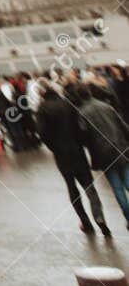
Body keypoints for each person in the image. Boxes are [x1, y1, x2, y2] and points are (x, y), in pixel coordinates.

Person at [36, 82, 111, 237]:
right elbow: (80, 127)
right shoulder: (68, 104)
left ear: (42, 93)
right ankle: (99, 218)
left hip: (61, 155)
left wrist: (54, 147)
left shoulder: (42, 109)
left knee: (72, 187)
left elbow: (43, 134)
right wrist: (80, 142)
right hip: (77, 151)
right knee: (89, 186)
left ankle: (85, 221)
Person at [77, 83, 129, 228]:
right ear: (89, 92)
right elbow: (123, 126)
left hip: (103, 155)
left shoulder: (82, 113)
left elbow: (84, 138)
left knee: (118, 189)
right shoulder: (106, 106)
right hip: (121, 149)